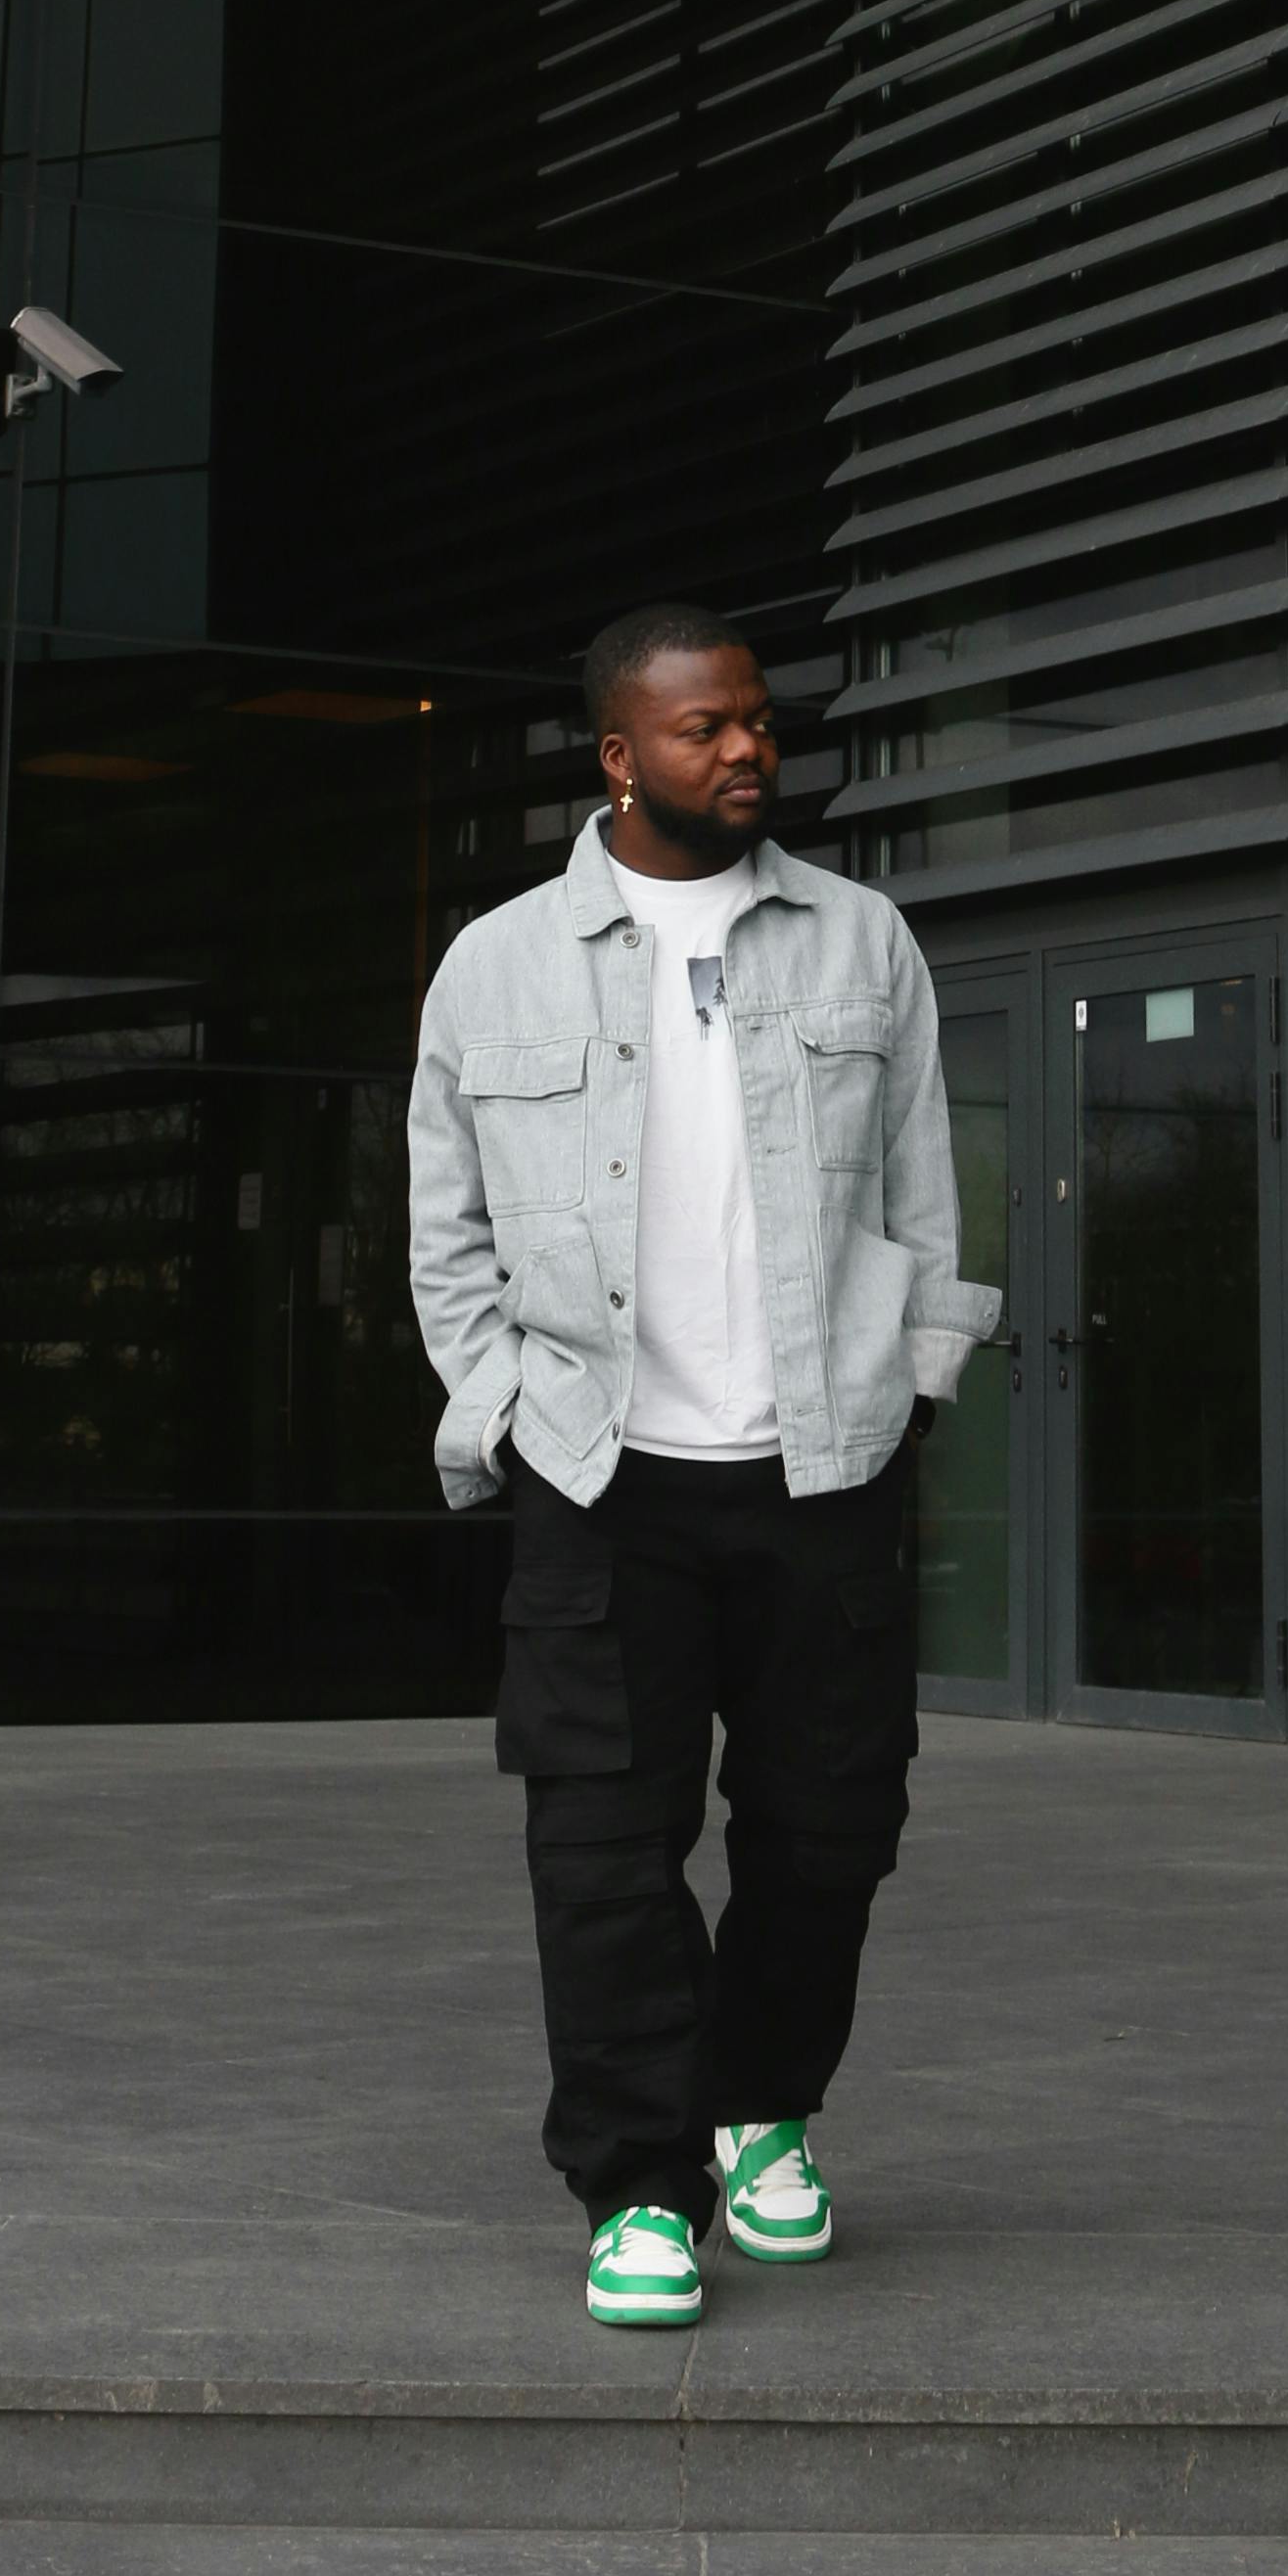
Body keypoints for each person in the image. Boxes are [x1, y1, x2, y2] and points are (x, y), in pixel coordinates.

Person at [406, 602, 1001, 2328]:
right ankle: (639, 2185)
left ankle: (761, 2112)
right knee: (602, 1846)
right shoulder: (494, 966)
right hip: (601, 1477)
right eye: (706, 730)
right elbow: (444, 1239)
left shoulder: (863, 942)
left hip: (821, 1470)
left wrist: (912, 1391)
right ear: (619, 756)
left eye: (758, 721)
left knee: (832, 1828)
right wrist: (511, 1410)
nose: (749, 749)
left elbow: (918, 1192)